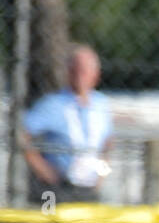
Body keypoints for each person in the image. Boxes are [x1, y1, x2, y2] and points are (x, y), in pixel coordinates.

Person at [22, 45, 113, 204]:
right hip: (58, 188)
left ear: (96, 75)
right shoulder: (52, 104)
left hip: (89, 189)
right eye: (75, 69)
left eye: (84, 70)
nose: (79, 75)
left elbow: (108, 143)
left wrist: (102, 174)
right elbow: (22, 135)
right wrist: (44, 170)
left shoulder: (101, 105)